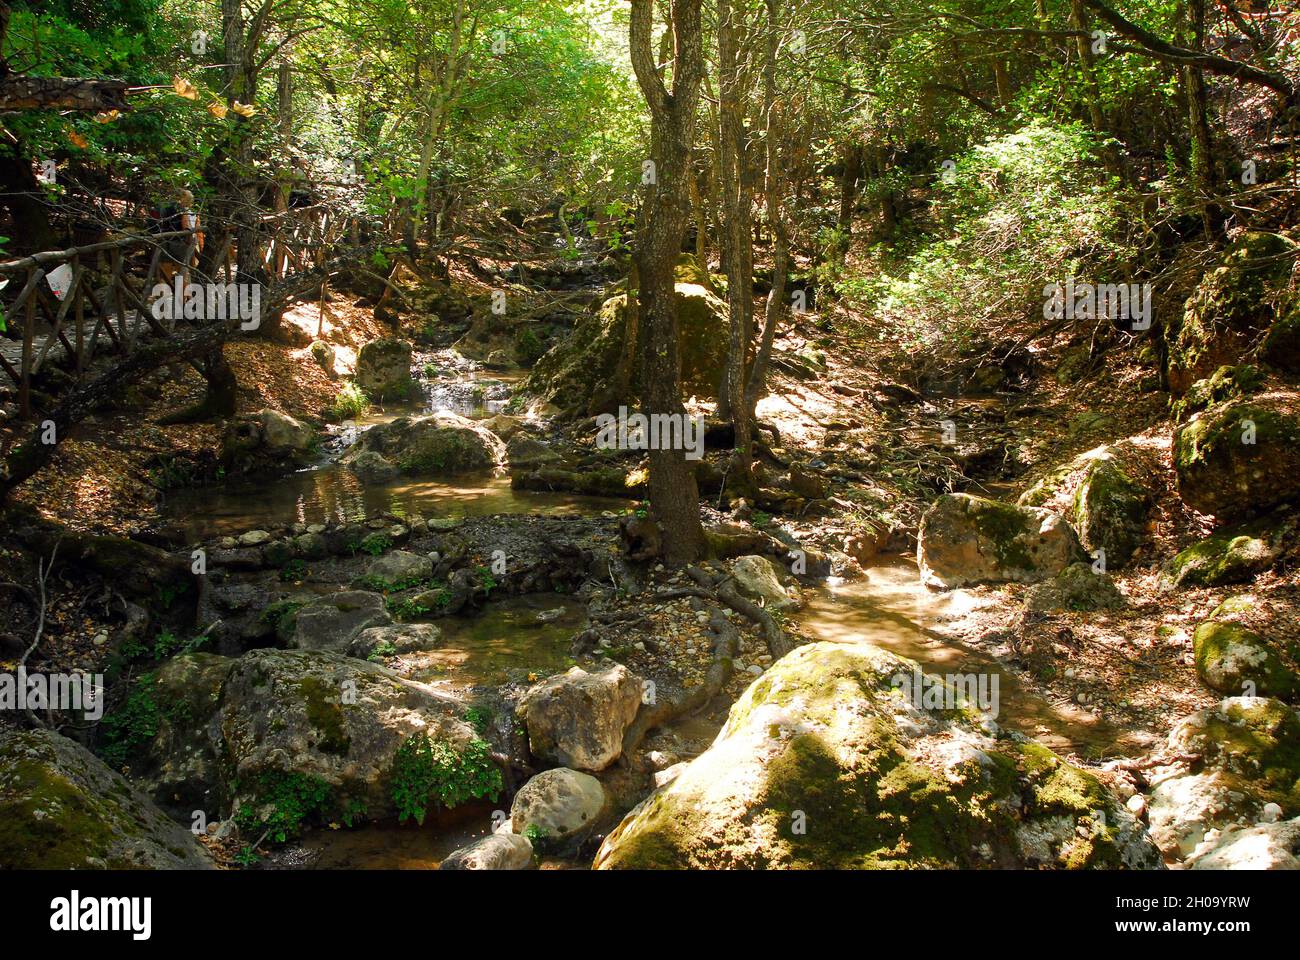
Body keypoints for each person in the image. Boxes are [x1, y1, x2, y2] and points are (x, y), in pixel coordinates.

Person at [152, 188, 203, 284]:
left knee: (165, 273)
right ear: (182, 197)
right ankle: (182, 298)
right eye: (188, 199)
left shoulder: (160, 206)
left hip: (162, 241)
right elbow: (186, 227)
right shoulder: (181, 208)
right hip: (179, 242)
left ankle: (163, 296)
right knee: (182, 273)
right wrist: (188, 241)